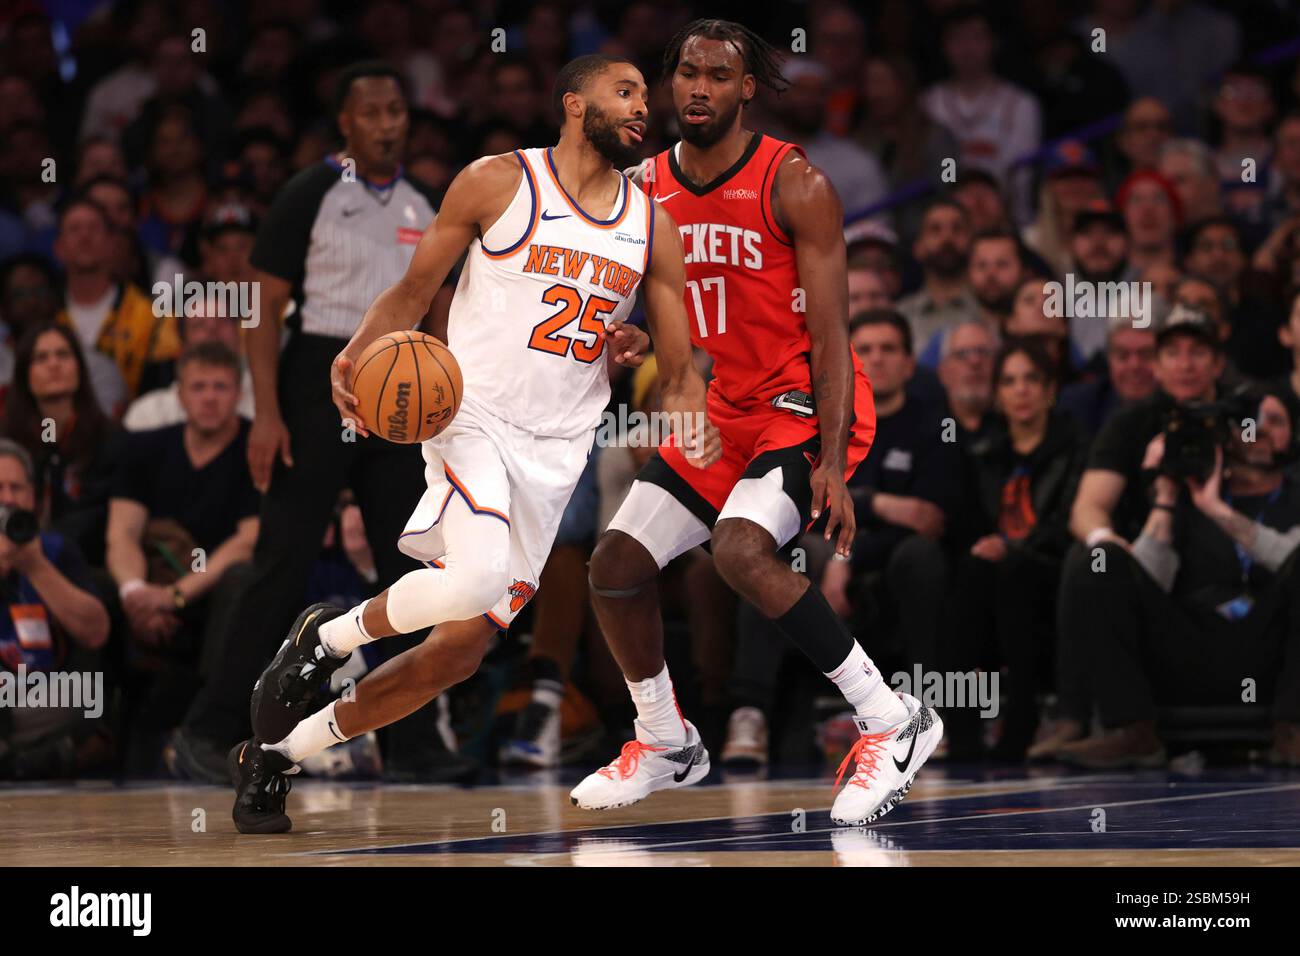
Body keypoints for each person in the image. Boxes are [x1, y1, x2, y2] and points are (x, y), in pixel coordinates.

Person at [229, 53, 699, 833]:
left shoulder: (655, 224)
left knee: (456, 654)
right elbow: (416, 292)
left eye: (646, 97)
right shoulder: (497, 181)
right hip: (471, 414)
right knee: (475, 577)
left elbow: (676, 364)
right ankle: (332, 636)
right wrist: (357, 350)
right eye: (626, 93)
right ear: (575, 105)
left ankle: (279, 755)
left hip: (560, 451)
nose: (644, 108)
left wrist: (650, 362)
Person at [573, 20, 942, 827]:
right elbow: (660, 309)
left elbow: (833, 332)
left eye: (718, 74)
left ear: (747, 89)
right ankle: (666, 740)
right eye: (686, 72)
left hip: (800, 402)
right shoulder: (642, 189)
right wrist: (635, 334)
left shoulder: (795, 181)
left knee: (741, 551)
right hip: (720, 411)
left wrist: (835, 463)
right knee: (615, 565)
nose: (699, 86)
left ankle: (892, 717)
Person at [165, 62, 467, 786]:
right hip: (319, 375)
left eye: (397, 109)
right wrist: (265, 412)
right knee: (282, 562)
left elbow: (444, 313)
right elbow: (262, 308)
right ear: (346, 124)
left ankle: (417, 740)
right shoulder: (309, 194)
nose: (389, 123)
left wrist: (448, 417)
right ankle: (205, 730)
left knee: (411, 568)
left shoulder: (428, 204)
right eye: (372, 112)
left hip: (403, 384)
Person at [1057, 384, 1300, 768]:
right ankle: (1132, 730)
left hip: (1272, 656)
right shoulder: (1186, 495)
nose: (1261, 429)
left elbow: (1291, 555)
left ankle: (1293, 731)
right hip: (1191, 647)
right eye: (1250, 422)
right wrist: (1166, 498)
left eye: (1276, 420)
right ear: (1229, 435)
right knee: (1104, 558)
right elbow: (1140, 584)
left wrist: (1218, 511)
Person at [107, 341, 259, 767]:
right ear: (179, 395)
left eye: (220, 387)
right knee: (99, 586)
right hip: (151, 584)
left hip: (211, 592)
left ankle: (208, 727)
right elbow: (122, 531)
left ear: (238, 394)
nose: (209, 397)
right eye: (198, 387)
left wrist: (174, 596)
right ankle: (101, 736)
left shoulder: (255, 447)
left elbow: (248, 540)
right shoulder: (145, 448)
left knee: (243, 578)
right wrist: (136, 593)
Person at [946, 339, 1086, 760]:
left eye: (1031, 380)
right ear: (998, 394)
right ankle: (961, 728)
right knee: (973, 570)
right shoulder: (983, 452)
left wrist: (1012, 548)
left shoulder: (1076, 446)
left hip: (1054, 571)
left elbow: (1067, 523)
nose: (1020, 390)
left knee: (1009, 571)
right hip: (992, 574)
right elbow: (966, 524)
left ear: (1050, 391)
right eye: (1009, 381)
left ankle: (1021, 719)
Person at [0, 439, 111, 781]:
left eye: (16, 488)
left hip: (41, 698)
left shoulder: (56, 551)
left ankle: (15, 760)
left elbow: (95, 633)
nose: (7, 499)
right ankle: (27, 760)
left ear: (32, 498)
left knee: (86, 697)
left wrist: (34, 566)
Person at [2, 322, 124, 567]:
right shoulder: (7, 442)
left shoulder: (111, 439)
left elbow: (103, 516)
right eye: (41, 358)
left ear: (79, 367)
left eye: (63, 355)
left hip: (87, 565)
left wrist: (43, 544)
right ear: (25, 373)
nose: (53, 364)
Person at [896, 199, 977, 355]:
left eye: (957, 229)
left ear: (973, 242)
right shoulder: (900, 315)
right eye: (935, 230)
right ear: (917, 247)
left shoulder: (991, 311)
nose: (947, 237)